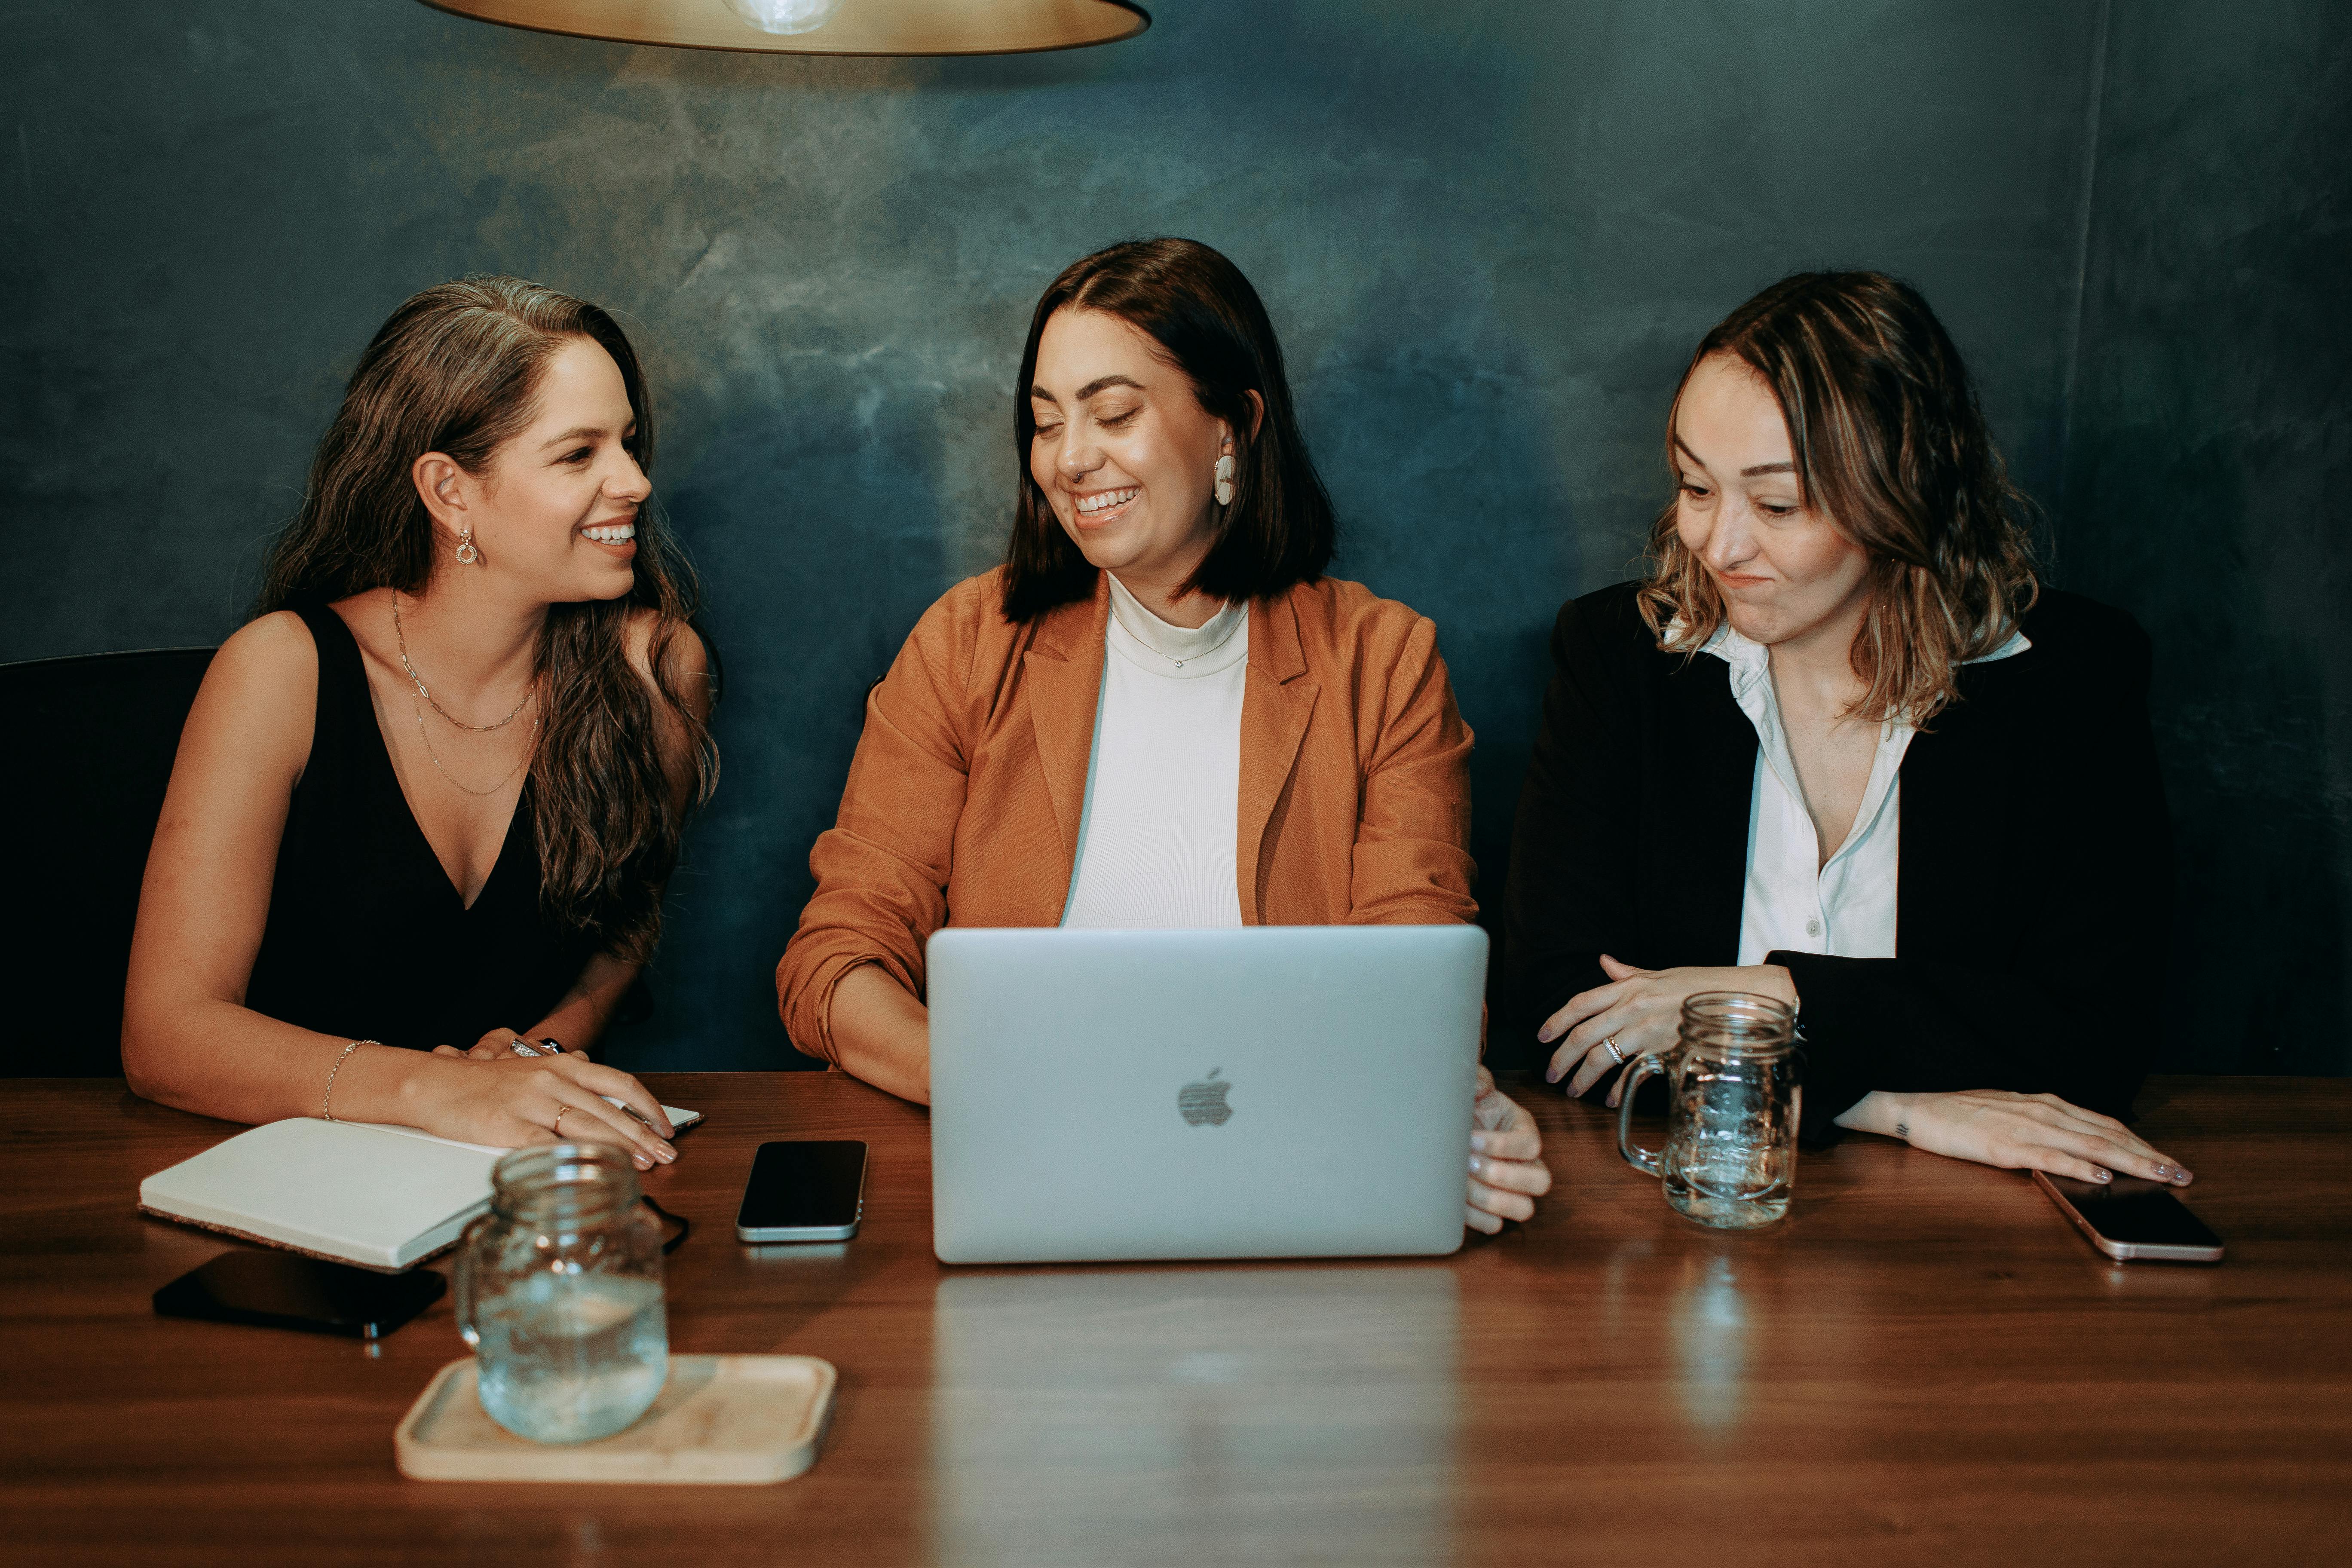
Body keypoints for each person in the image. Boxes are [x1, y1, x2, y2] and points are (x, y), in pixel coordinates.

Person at [777, 238, 1551, 1232]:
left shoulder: (1384, 662)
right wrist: (992, 1081)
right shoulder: (966, 646)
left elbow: (1416, 973)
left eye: (1114, 413)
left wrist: (1448, 1101)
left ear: (1232, 426)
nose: (1070, 459)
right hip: (1024, 1176)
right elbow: (834, 962)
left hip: (1291, 1178)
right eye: (1046, 422)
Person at [1501, 270, 2191, 1189]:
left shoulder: (2067, 677)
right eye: (1696, 487)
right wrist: (1892, 1106)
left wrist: (1757, 995)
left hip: (1955, 1252)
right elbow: (1564, 1016)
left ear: (1902, 491)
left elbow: (2091, 1034)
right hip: (1687, 1203)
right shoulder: (1621, 658)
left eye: (1777, 505)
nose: (1718, 544)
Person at [122, 277, 714, 1171]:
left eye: (627, 444)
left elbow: (622, 935)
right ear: (449, 492)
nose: (634, 481)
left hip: (516, 1183)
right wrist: (443, 1093)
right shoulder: (281, 670)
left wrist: (545, 1056)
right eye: (576, 454)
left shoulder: (657, 672)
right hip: (285, 1183)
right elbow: (166, 1036)